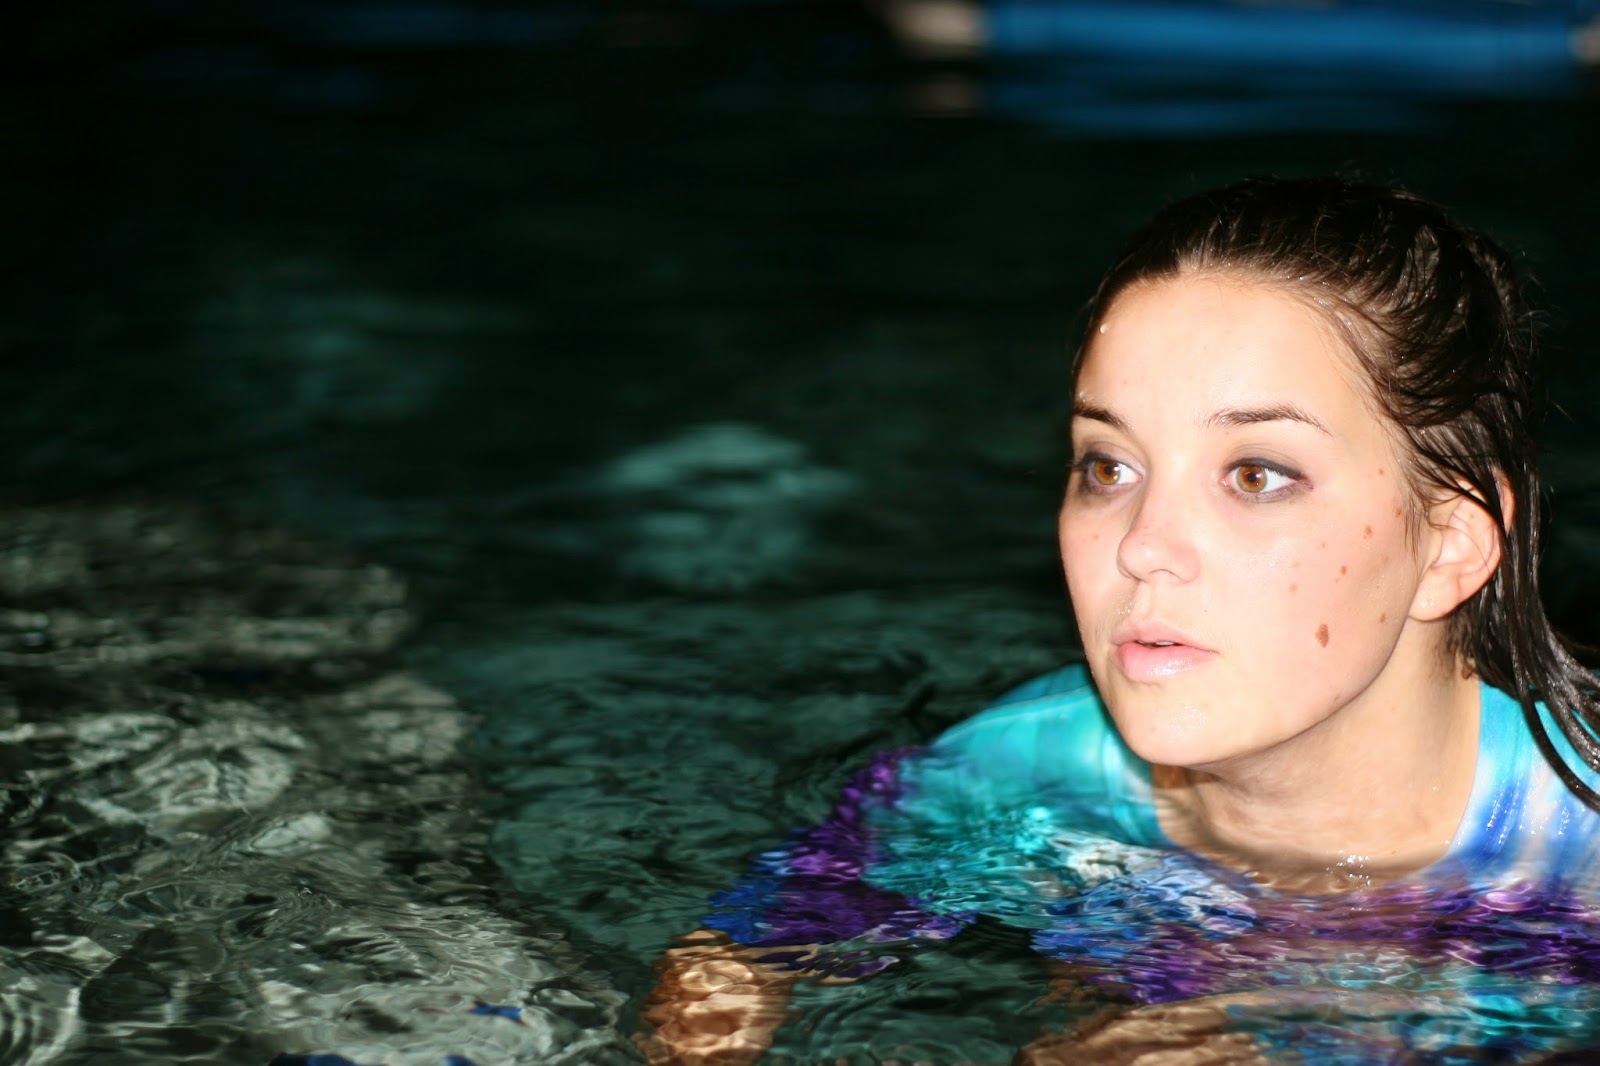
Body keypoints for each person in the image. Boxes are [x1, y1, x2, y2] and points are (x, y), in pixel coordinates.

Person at [638, 177, 1600, 1064]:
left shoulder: (1580, 841)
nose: (1142, 545)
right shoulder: (1016, 777)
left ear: (1450, 546)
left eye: (1257, 475)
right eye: (1108, 467)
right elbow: (732, 966)